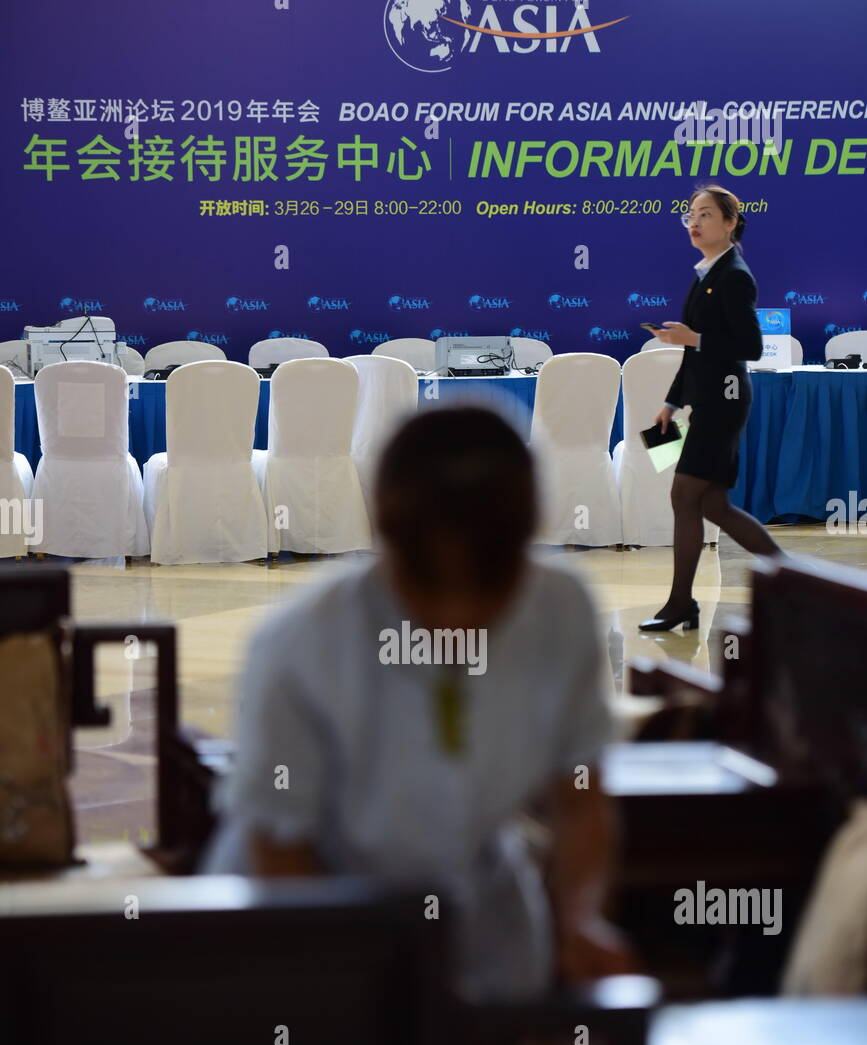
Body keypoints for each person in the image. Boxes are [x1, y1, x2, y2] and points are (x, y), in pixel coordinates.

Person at [203, 405, 635, 999]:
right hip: (308, 922)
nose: (457, 615)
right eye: (428, 590)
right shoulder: (301, 642)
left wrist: (578, 917)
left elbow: (581, 796)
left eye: (490, 591)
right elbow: (280, 847)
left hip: (484, 917)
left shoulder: (562, 610)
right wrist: (365, 989)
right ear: (384, 539)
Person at [639, 184, 782, 633]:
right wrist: (671, 401)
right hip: (708, 398)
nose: (695, 223)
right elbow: (694, 352)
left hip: (725, 400)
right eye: (690, 216)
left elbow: (750, 347)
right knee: (714, 505)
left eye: (704, 215)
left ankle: (680, 603)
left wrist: (694, 338)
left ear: (730, 223)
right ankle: (796, 578)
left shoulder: (735, 274)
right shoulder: (706, 273)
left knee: (684, 495)